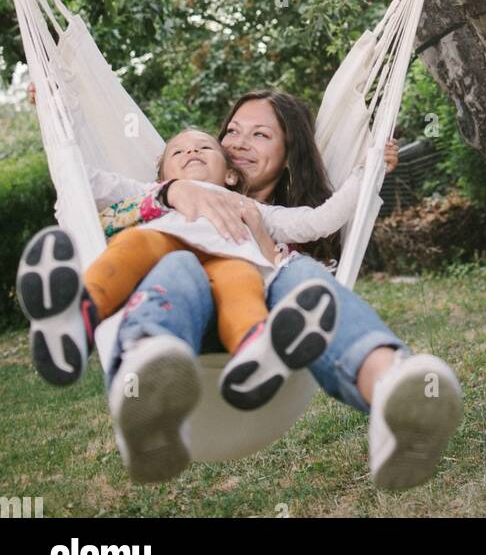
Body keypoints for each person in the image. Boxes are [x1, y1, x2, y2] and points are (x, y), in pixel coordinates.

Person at [108, 91, 464, 490]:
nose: (239, 142)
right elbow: (96, 202)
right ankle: (145, 384)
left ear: (288, 154)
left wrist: (368, 170)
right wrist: (169, 191)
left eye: (260, 135)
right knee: (181, 265)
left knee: (302, 276)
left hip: (267, 330)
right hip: (185, 312)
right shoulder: (167, 194)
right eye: (232, 131)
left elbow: (320, 223)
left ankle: (393, 390)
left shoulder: (279, 223)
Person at [16, 127, 369, 416]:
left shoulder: (253, 208)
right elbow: (82, 181)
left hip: (229, 265)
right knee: (133, 245)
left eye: (204, 147)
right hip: (165, 251)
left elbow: (316, 222)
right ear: (163, 175)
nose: (191, 153)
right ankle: (77, 314)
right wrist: (55, 115)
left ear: (231, 174)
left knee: (241, 285)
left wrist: (365, 172)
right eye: (178, 152)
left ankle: (256, 353)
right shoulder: (153, 194)